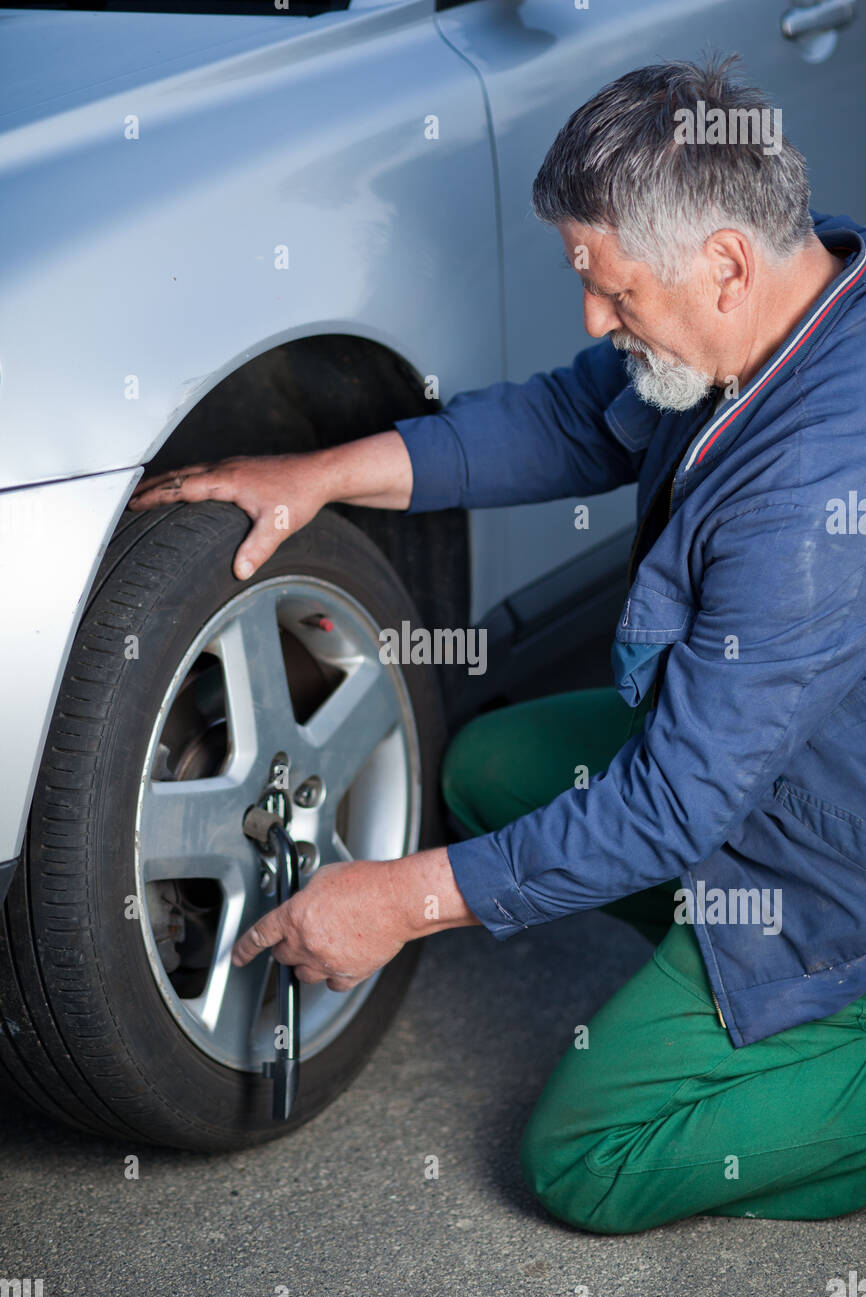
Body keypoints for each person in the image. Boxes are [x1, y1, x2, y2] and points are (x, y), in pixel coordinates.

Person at [130, 57, 866, 1234]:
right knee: (482, 772)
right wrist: (319, 473)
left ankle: (803, 1025)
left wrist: (400, 902)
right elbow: (572, 417)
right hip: (776, 773)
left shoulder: (815, 499)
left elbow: (669, 807)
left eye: (612, 293)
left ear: (723, 262)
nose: (592, 317)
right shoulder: (800, 301)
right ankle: (705, 952)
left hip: (831, 880)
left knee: (586, 1160)